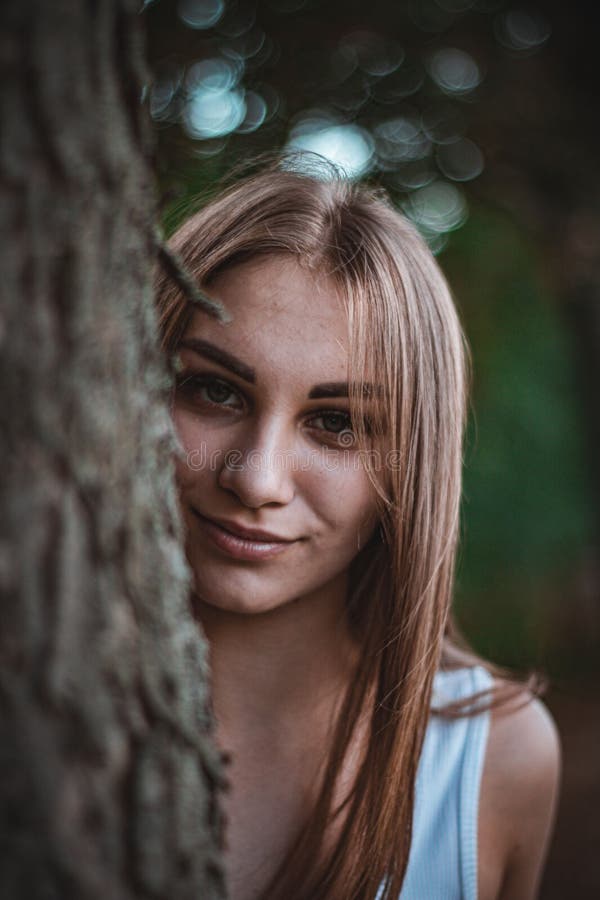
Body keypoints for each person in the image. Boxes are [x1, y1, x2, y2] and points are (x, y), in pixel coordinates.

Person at [155, 159, 561, 900]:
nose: (256, 479)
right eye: (214, 389)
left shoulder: (493, 758)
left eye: (336, 423)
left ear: (413, 467)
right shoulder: (32, 699)